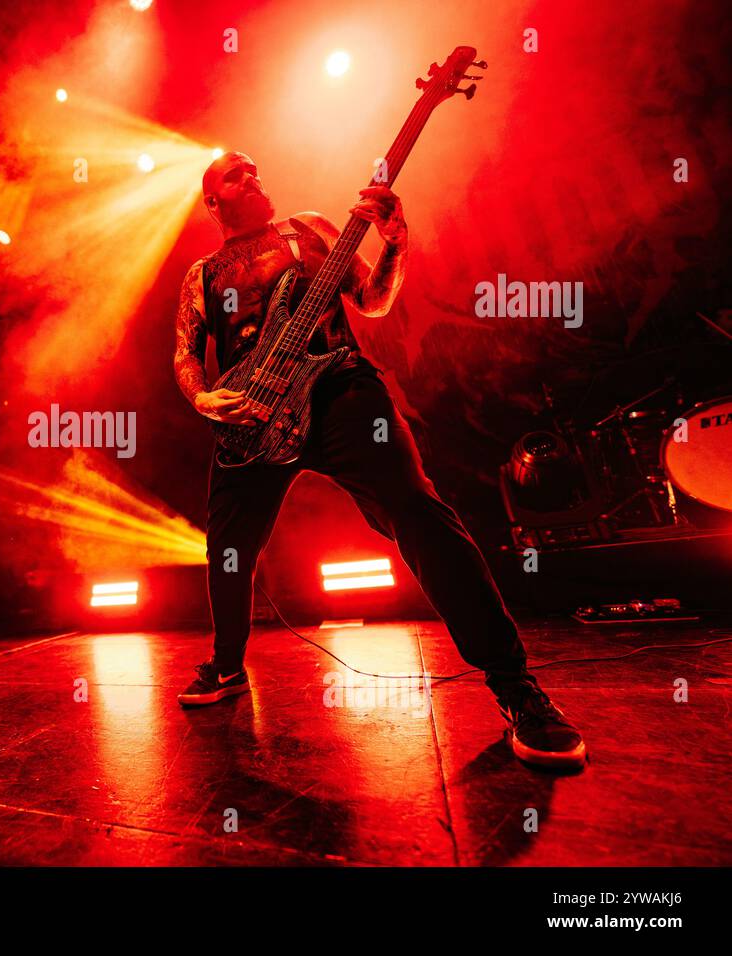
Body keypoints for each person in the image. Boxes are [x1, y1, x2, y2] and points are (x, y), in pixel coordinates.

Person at [171, 151, 586, 770]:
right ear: (212, 201)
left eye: (255, 167)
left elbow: (373, 299)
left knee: (417, 512)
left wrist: (395, 243)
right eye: (234, 174)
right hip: (252, 417)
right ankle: (227, 664)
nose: (252, 175)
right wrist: (205, 396)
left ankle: (514, 686)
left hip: (339, 389)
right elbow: (183, 353)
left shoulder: (309, 229)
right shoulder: (202, 272)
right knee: (227, 551)